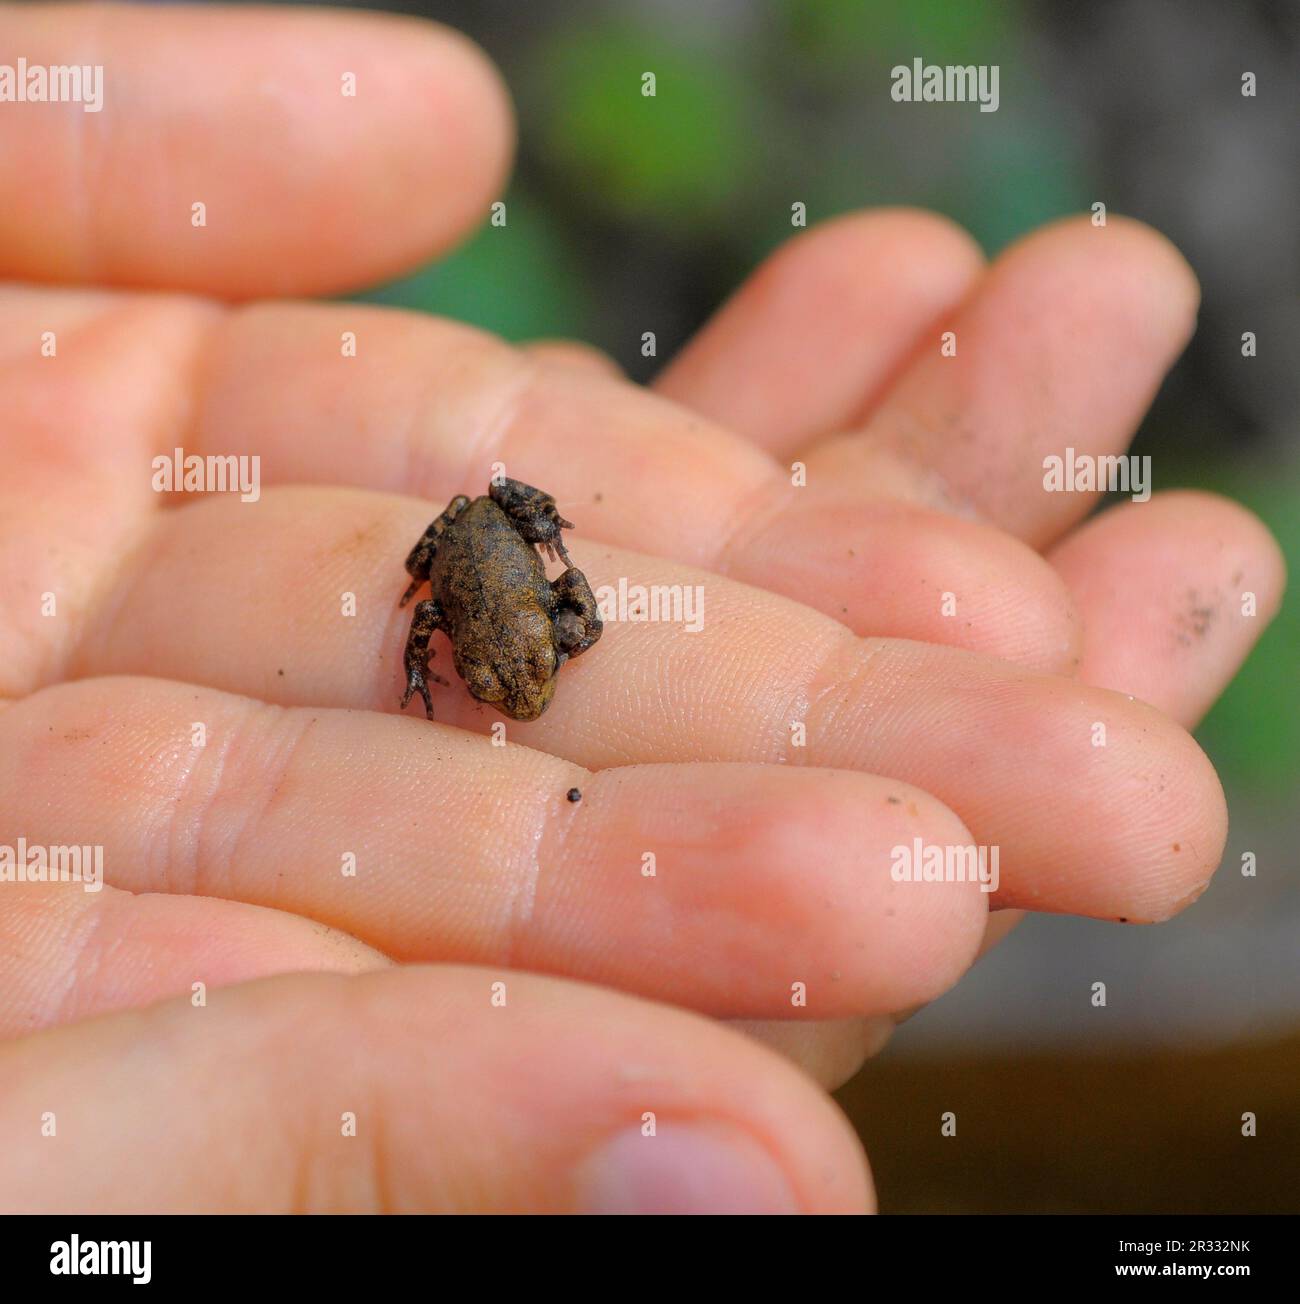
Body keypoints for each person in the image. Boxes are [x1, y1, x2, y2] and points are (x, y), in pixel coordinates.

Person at [0, 4, 1283, 1213]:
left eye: (511, 683)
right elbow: (460, 613)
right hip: (479, 546)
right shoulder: (493, 620)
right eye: (509, 685)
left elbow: (529, 617)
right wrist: (476, 610)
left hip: (491, 537)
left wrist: (528, 579)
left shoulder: (525, 627)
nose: (516, 691)